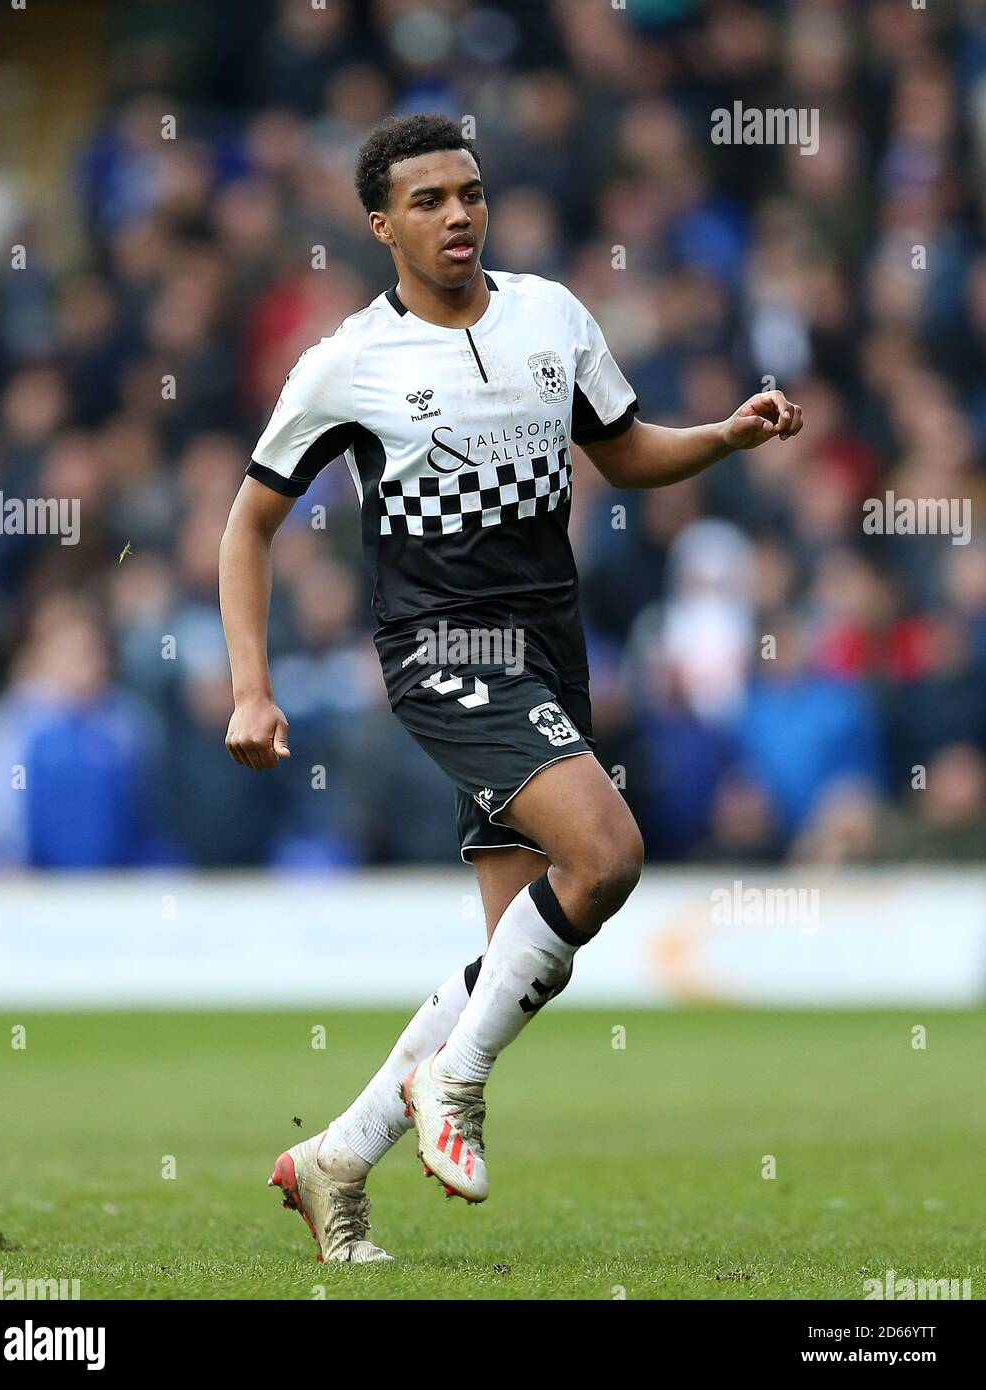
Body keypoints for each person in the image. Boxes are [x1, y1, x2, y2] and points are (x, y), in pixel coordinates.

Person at [218, 113, 804, 1263]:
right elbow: (250, 524)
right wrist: (252, 685)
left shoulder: (554, 316)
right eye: (428, 200)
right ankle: (456, 1083)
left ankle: (336, 1155)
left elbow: (624, 452)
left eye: (470, 193)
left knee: (521, 954)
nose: (457, 215)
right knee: (610, 855)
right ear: (380, 223)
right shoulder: (347, 361)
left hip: (548, 642)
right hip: (444, 647)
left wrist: (725, 437)